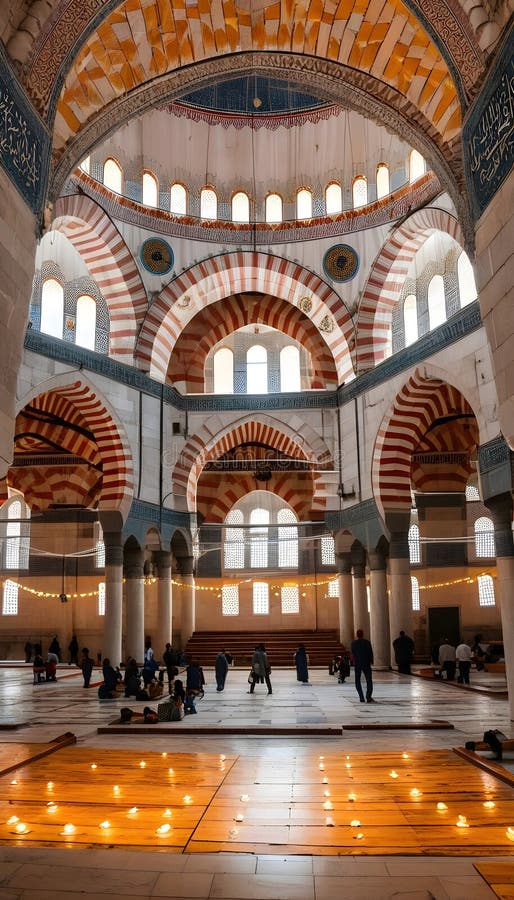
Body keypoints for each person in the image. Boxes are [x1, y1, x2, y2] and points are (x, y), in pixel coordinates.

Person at [350, 629, 374, 702]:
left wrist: (354, 662)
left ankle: (361, 697)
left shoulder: (353, 643)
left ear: (357, 635)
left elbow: (353, 653)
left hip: (358, 664)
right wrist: (371, 661)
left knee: (357, 680)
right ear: (363, 634)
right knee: (369, 680)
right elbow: (370, 653)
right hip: (366, 663)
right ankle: (368, 696)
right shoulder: (367, 642)